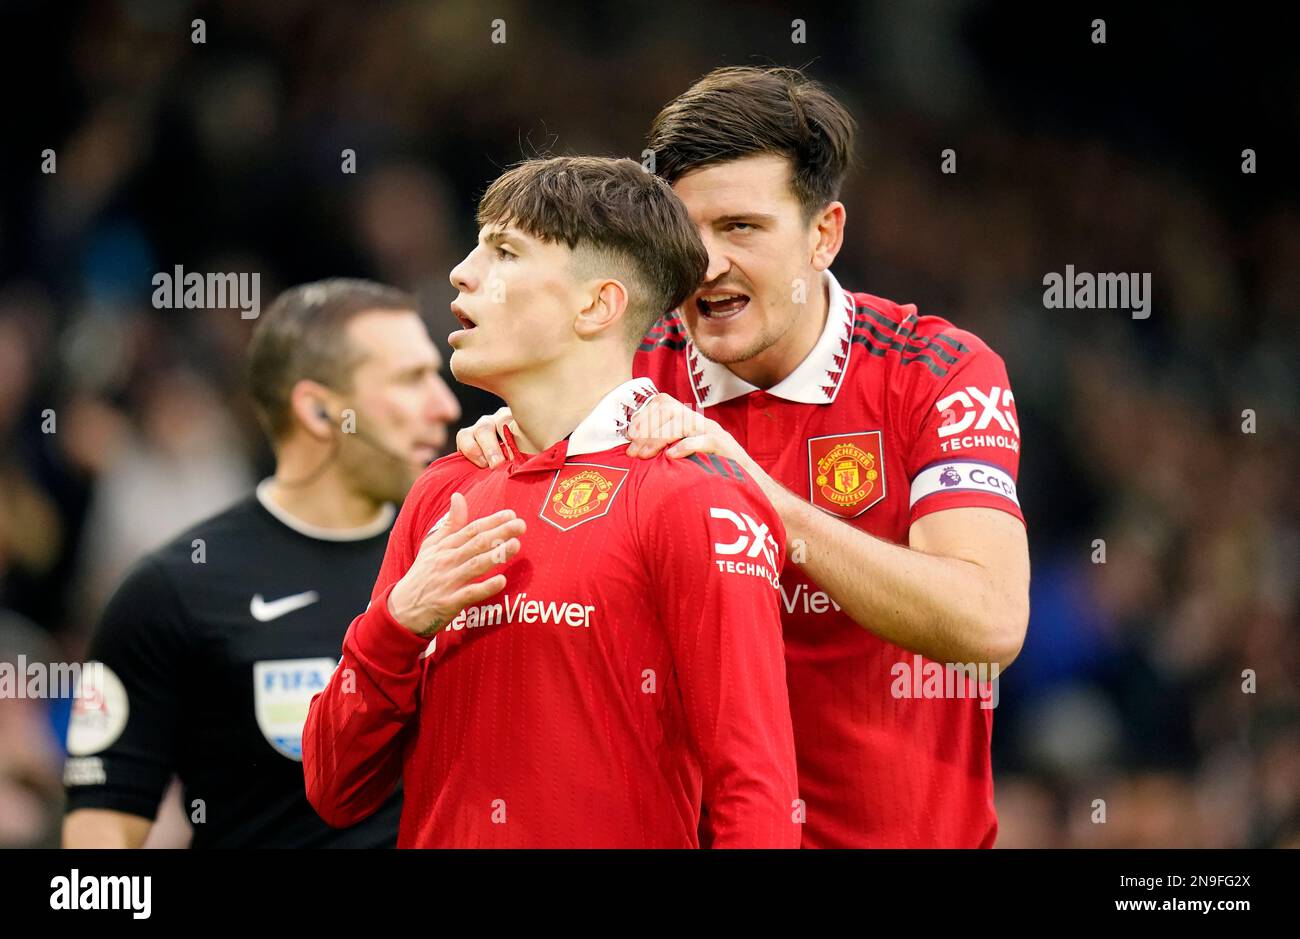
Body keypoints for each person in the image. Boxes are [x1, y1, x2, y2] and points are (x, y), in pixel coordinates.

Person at [458, 67, 1031, 848]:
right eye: (687, 231)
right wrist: (510, 465)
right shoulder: (623, 369)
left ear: (824, 235)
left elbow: (989, 620)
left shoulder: (933, 372)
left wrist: (761, 501)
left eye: (740, 228)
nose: (707, 265)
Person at [303, 156, 800, 848]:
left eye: (505, 252)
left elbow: (757, 794)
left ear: (596, 306)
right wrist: (396, 625)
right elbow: (334, 787)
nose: (462, 272)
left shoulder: (693, 494)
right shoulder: (445, 490)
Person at [62, 278, 461, 848]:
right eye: (410, 379)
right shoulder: (175, 589)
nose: (445, 406)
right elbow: (99, 841)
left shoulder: (456, 557)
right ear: (318, 411)